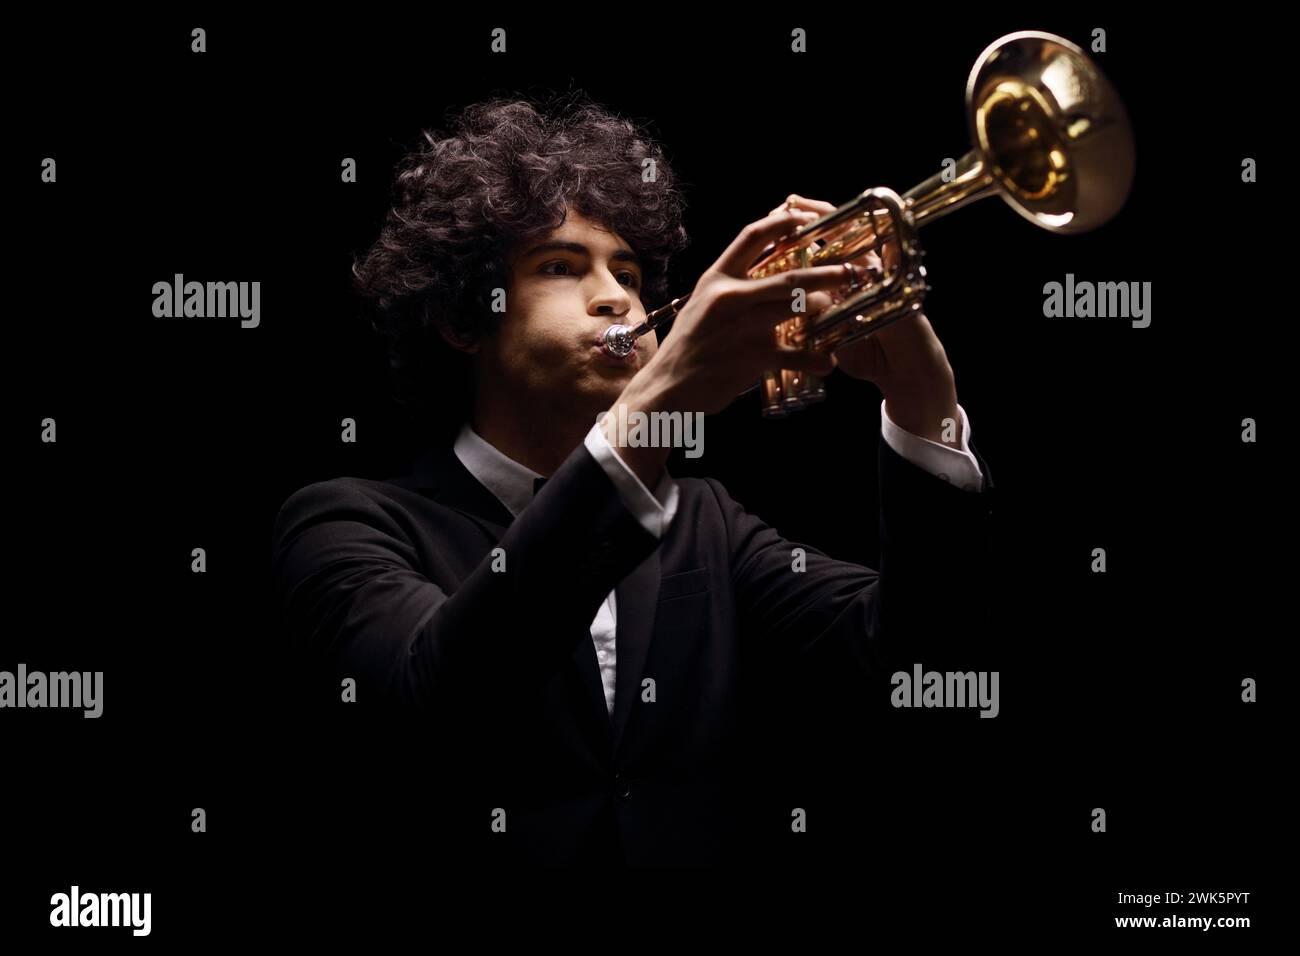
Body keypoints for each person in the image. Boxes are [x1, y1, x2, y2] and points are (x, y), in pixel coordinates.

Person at [271, 93, 994, 866]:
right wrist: (659, 406)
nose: (619, 297)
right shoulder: (345, 523)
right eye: (560, 267)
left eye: (630, 272)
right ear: (461, 319)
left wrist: (925, 406)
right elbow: (436, 701)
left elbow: (918, 671)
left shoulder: (707, 523)